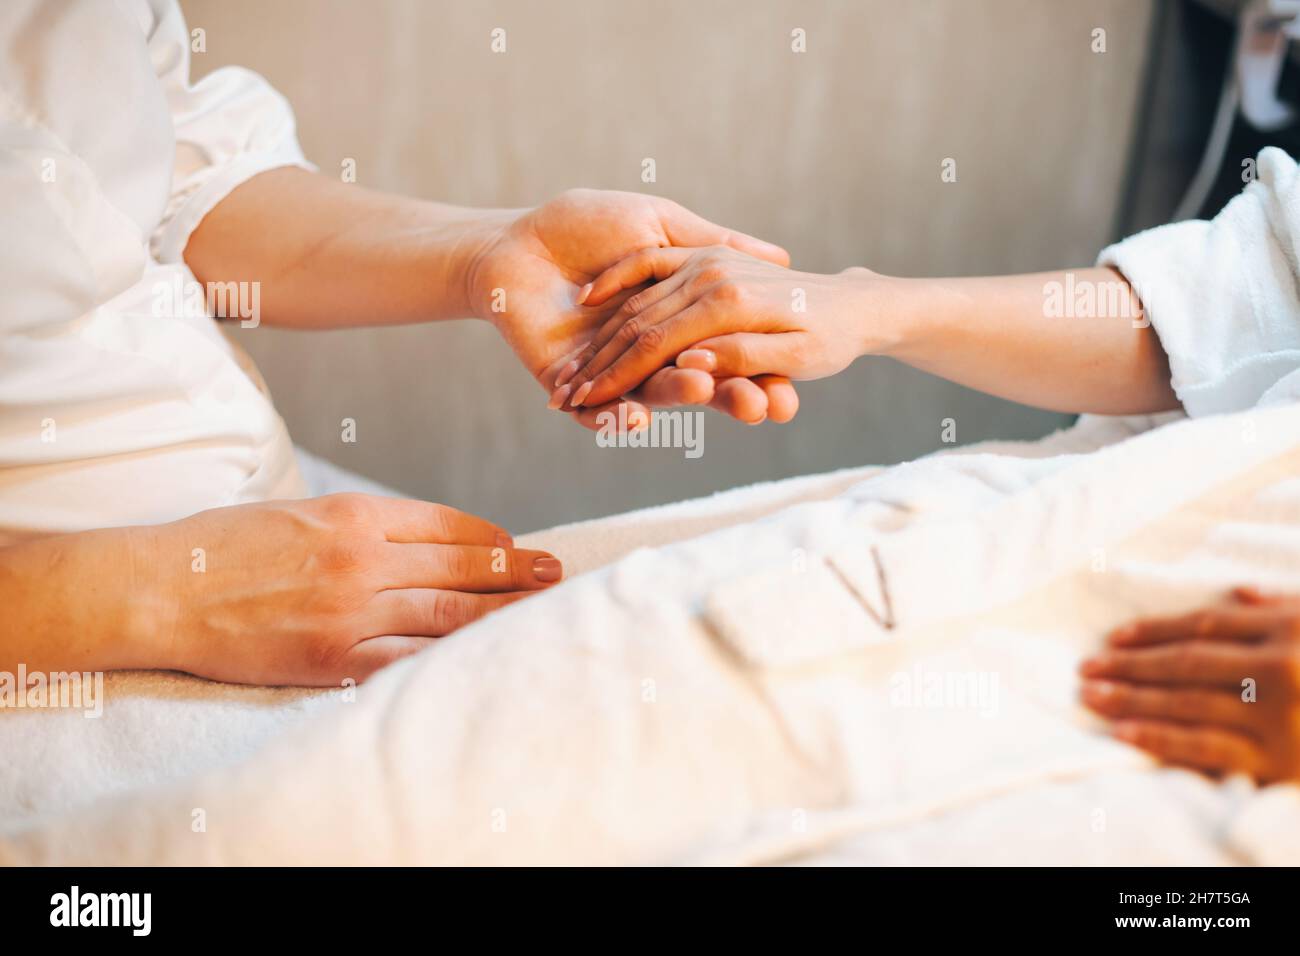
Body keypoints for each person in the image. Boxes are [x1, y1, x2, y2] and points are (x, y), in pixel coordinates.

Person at [0, 0, 790, 685]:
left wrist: (494, 256)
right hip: (83, 670)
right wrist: (162, 596)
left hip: (291, 545)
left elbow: (170, 191)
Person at [549, 143, 1300, 783]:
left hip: (1171, 733)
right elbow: (1239, 309)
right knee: (525, 637)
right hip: (986, 531)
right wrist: (868, 308)